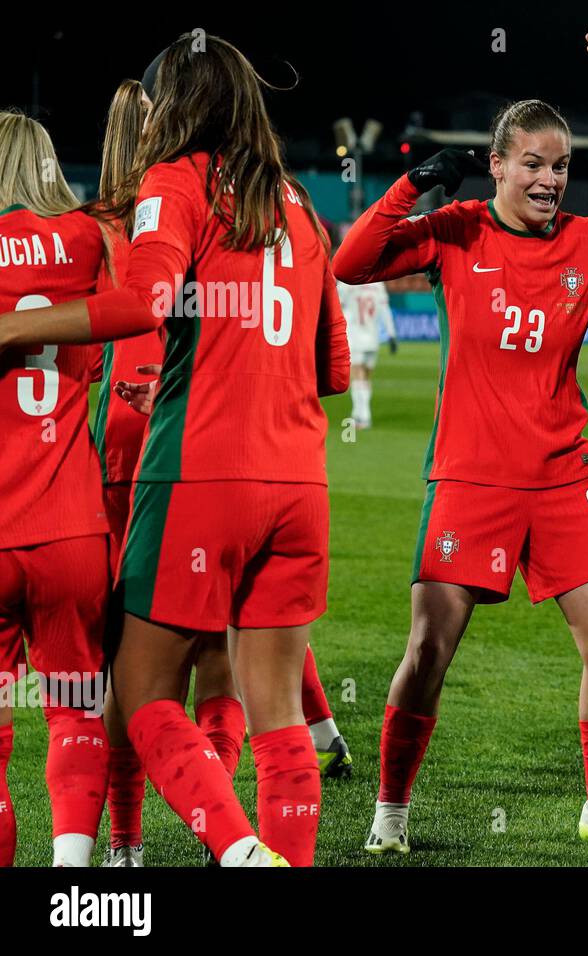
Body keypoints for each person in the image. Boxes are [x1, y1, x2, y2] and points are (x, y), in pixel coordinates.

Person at [0, 33, 351, 867]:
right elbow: (331, 366)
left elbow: (144, 300)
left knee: (139, 695)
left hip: (200, 474)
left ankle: (233, 851)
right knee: (276, 715)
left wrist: (14, 326)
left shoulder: (178, 179)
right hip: (301, 483)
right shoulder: (298, 203)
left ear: (177, 105)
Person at [333, 97, 588, 852]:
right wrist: (412, 188)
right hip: (472, 479)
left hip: (565, 477)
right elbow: (351, 263)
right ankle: (391, 812)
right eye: (532, 163)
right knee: (430, 650)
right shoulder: (458, 229)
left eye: (560, 166)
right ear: (496, 165)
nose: (548, 179)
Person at [0, 110, 115, 867]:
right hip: (72, 521)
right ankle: (70, 876)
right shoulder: (89, 236)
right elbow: (112, 351)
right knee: (78, 711)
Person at [336, 278, 396, 428]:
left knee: (357, 376)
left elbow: (335, 306)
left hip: (355, 335)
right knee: (366, 376)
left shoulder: (347, 283)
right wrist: (391, 334)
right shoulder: (378, 284)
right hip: (373, 337)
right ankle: (361, 414)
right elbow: (385, 310)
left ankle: (362, 416)